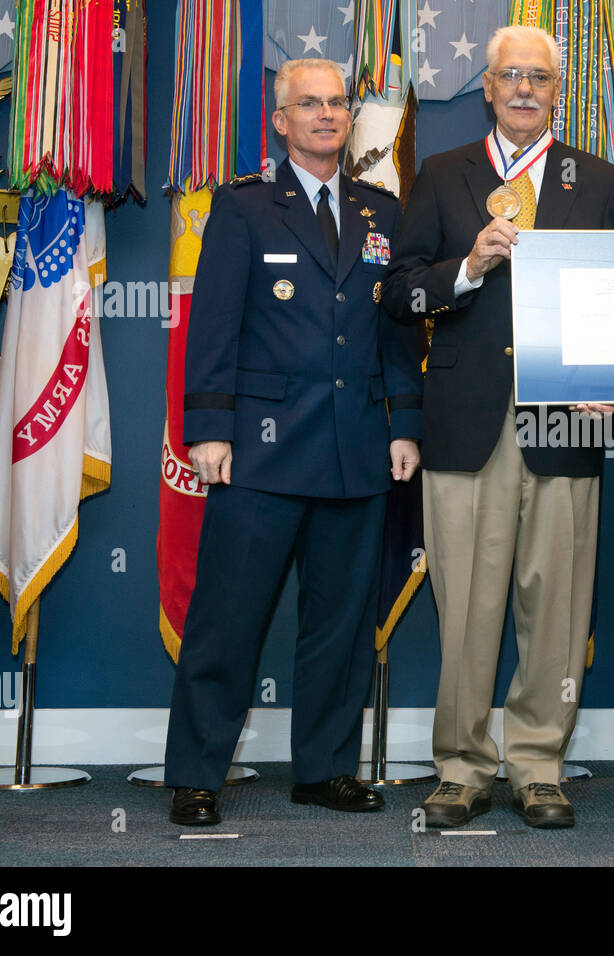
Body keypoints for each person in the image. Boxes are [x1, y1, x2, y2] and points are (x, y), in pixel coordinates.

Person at [381, 25, 614, 829]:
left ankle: (538, 764)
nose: (525, 89)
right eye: (509, 76)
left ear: (560, 90)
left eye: (541, 78)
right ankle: (460, 765)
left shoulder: (598, 179)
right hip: (465, 426)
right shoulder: (443, 175)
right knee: (468, 608)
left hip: (567, 425)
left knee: (555, 608)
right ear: (486, 87)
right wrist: (467, 270)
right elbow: (399, 294)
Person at [163, 58, 423, 826]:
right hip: (261, 450)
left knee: (342, 625)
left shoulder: (382, 212)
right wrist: (207, 430)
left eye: (336, 102)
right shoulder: (243, 207)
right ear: (280, 120)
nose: (326, 114)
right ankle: (199, 774)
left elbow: (396, 335)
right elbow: (211, 325)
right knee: (227, 619)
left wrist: (403, 422)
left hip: (356, 448)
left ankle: (325, 769)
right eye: (307, 103)